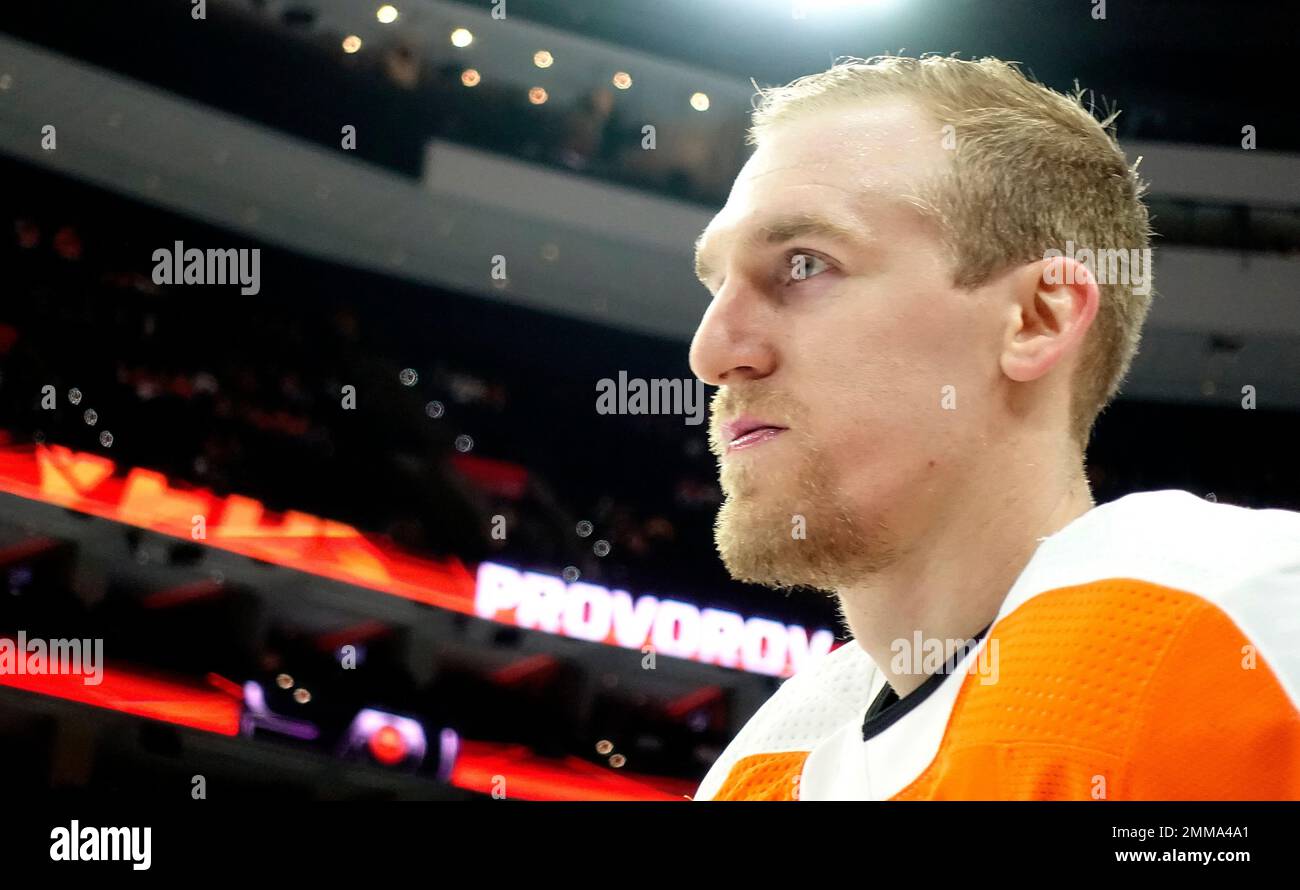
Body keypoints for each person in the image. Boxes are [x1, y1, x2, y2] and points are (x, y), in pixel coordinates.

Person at [687, 54, 1300, 800]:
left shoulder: (1242, 616)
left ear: (1036, 319)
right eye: (717, 285)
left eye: (804, 264)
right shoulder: (757, 772)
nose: (712, 353)